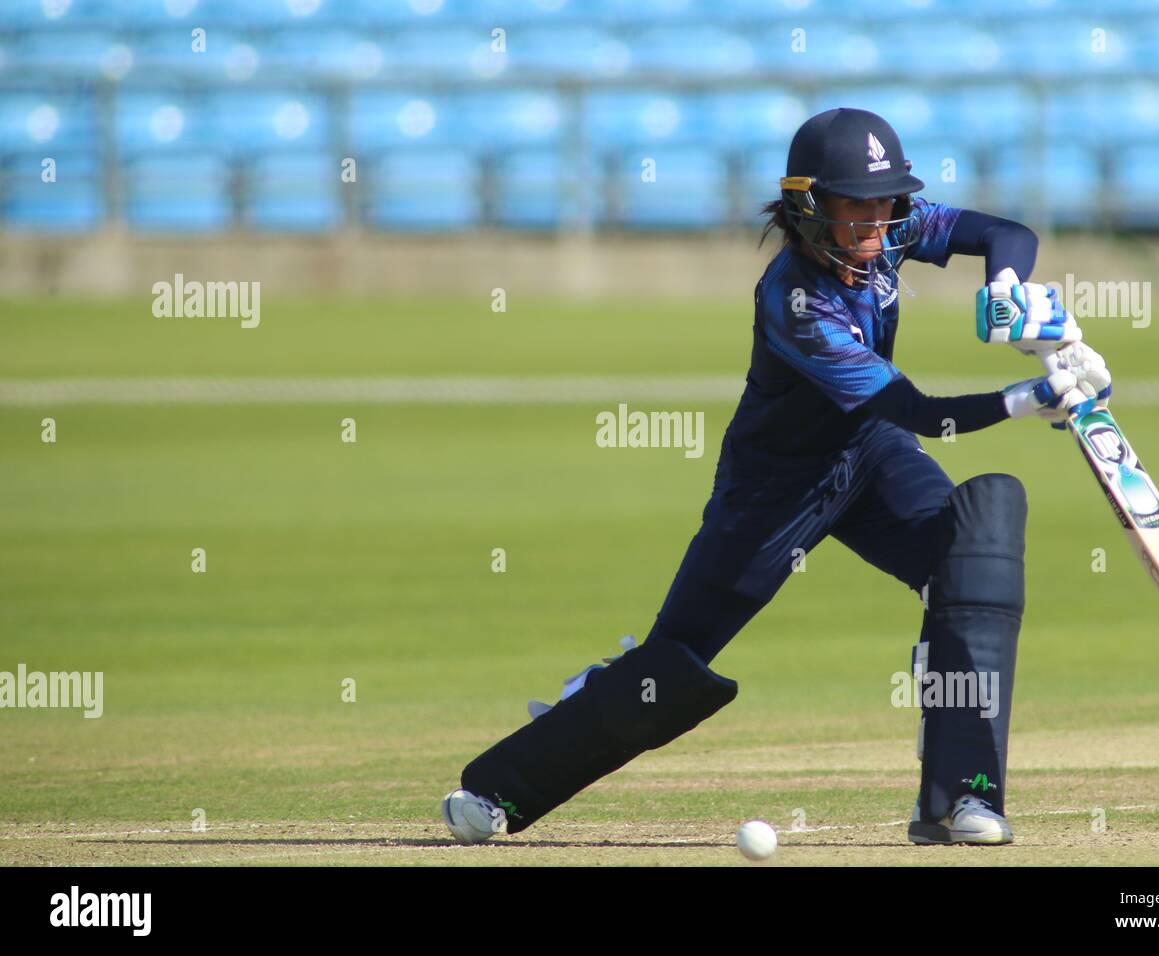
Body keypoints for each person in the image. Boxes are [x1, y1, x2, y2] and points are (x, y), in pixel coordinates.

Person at [442, 108, 1111, 846]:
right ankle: (497, 792)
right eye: (854, 202)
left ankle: (964, 798)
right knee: (675, 667)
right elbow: (922, 414)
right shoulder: (797, 303)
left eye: (885, 200)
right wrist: (1027, 400)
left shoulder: (894, 228)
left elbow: (1003, 233)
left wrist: (1009, 288)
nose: (874, 219)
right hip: (776, 491)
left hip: (871, 454)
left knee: (972, 558)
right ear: (808, 204)